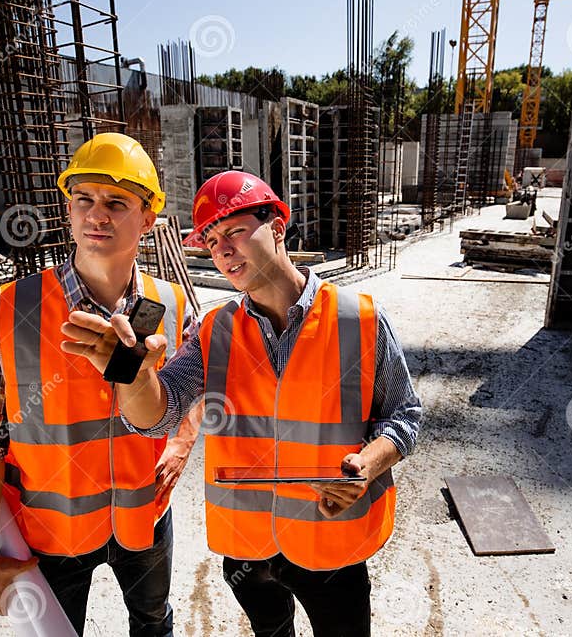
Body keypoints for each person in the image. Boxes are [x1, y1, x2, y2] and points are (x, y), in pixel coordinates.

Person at [61, 170, 422, 636]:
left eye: (234, 231)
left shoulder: (358, 318)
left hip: (329, 543)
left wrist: (367, 464)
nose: (223, 250)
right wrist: (132, 372)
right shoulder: (214, 331)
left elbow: (405, 416)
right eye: (211, 241)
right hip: (248, 554)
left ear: (277, 226)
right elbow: (157, 417)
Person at [0, 133, 198, 637]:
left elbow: (193, 395)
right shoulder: (9, 310)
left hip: (144, 519)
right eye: (83, 200)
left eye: (116, 202)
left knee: (154, 621)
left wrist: (180, 443)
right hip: (52, 531)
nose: (96, 215)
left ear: (148, 218)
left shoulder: (173, 305)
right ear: (69, 209)